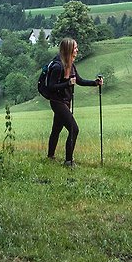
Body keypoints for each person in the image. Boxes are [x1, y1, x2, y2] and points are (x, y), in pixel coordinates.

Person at [41, 36, 102, 167]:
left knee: (56, 129)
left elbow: (78, 80)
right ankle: (68, 161)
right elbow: (51, 86)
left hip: (65, 101)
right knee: (74, 129)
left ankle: (50, 156)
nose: (77, 50)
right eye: (75, 48)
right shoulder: (58, 66)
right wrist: (67, 83)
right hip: (57, 102)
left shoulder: (70, 64)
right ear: (69, 49)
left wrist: (95, 83)